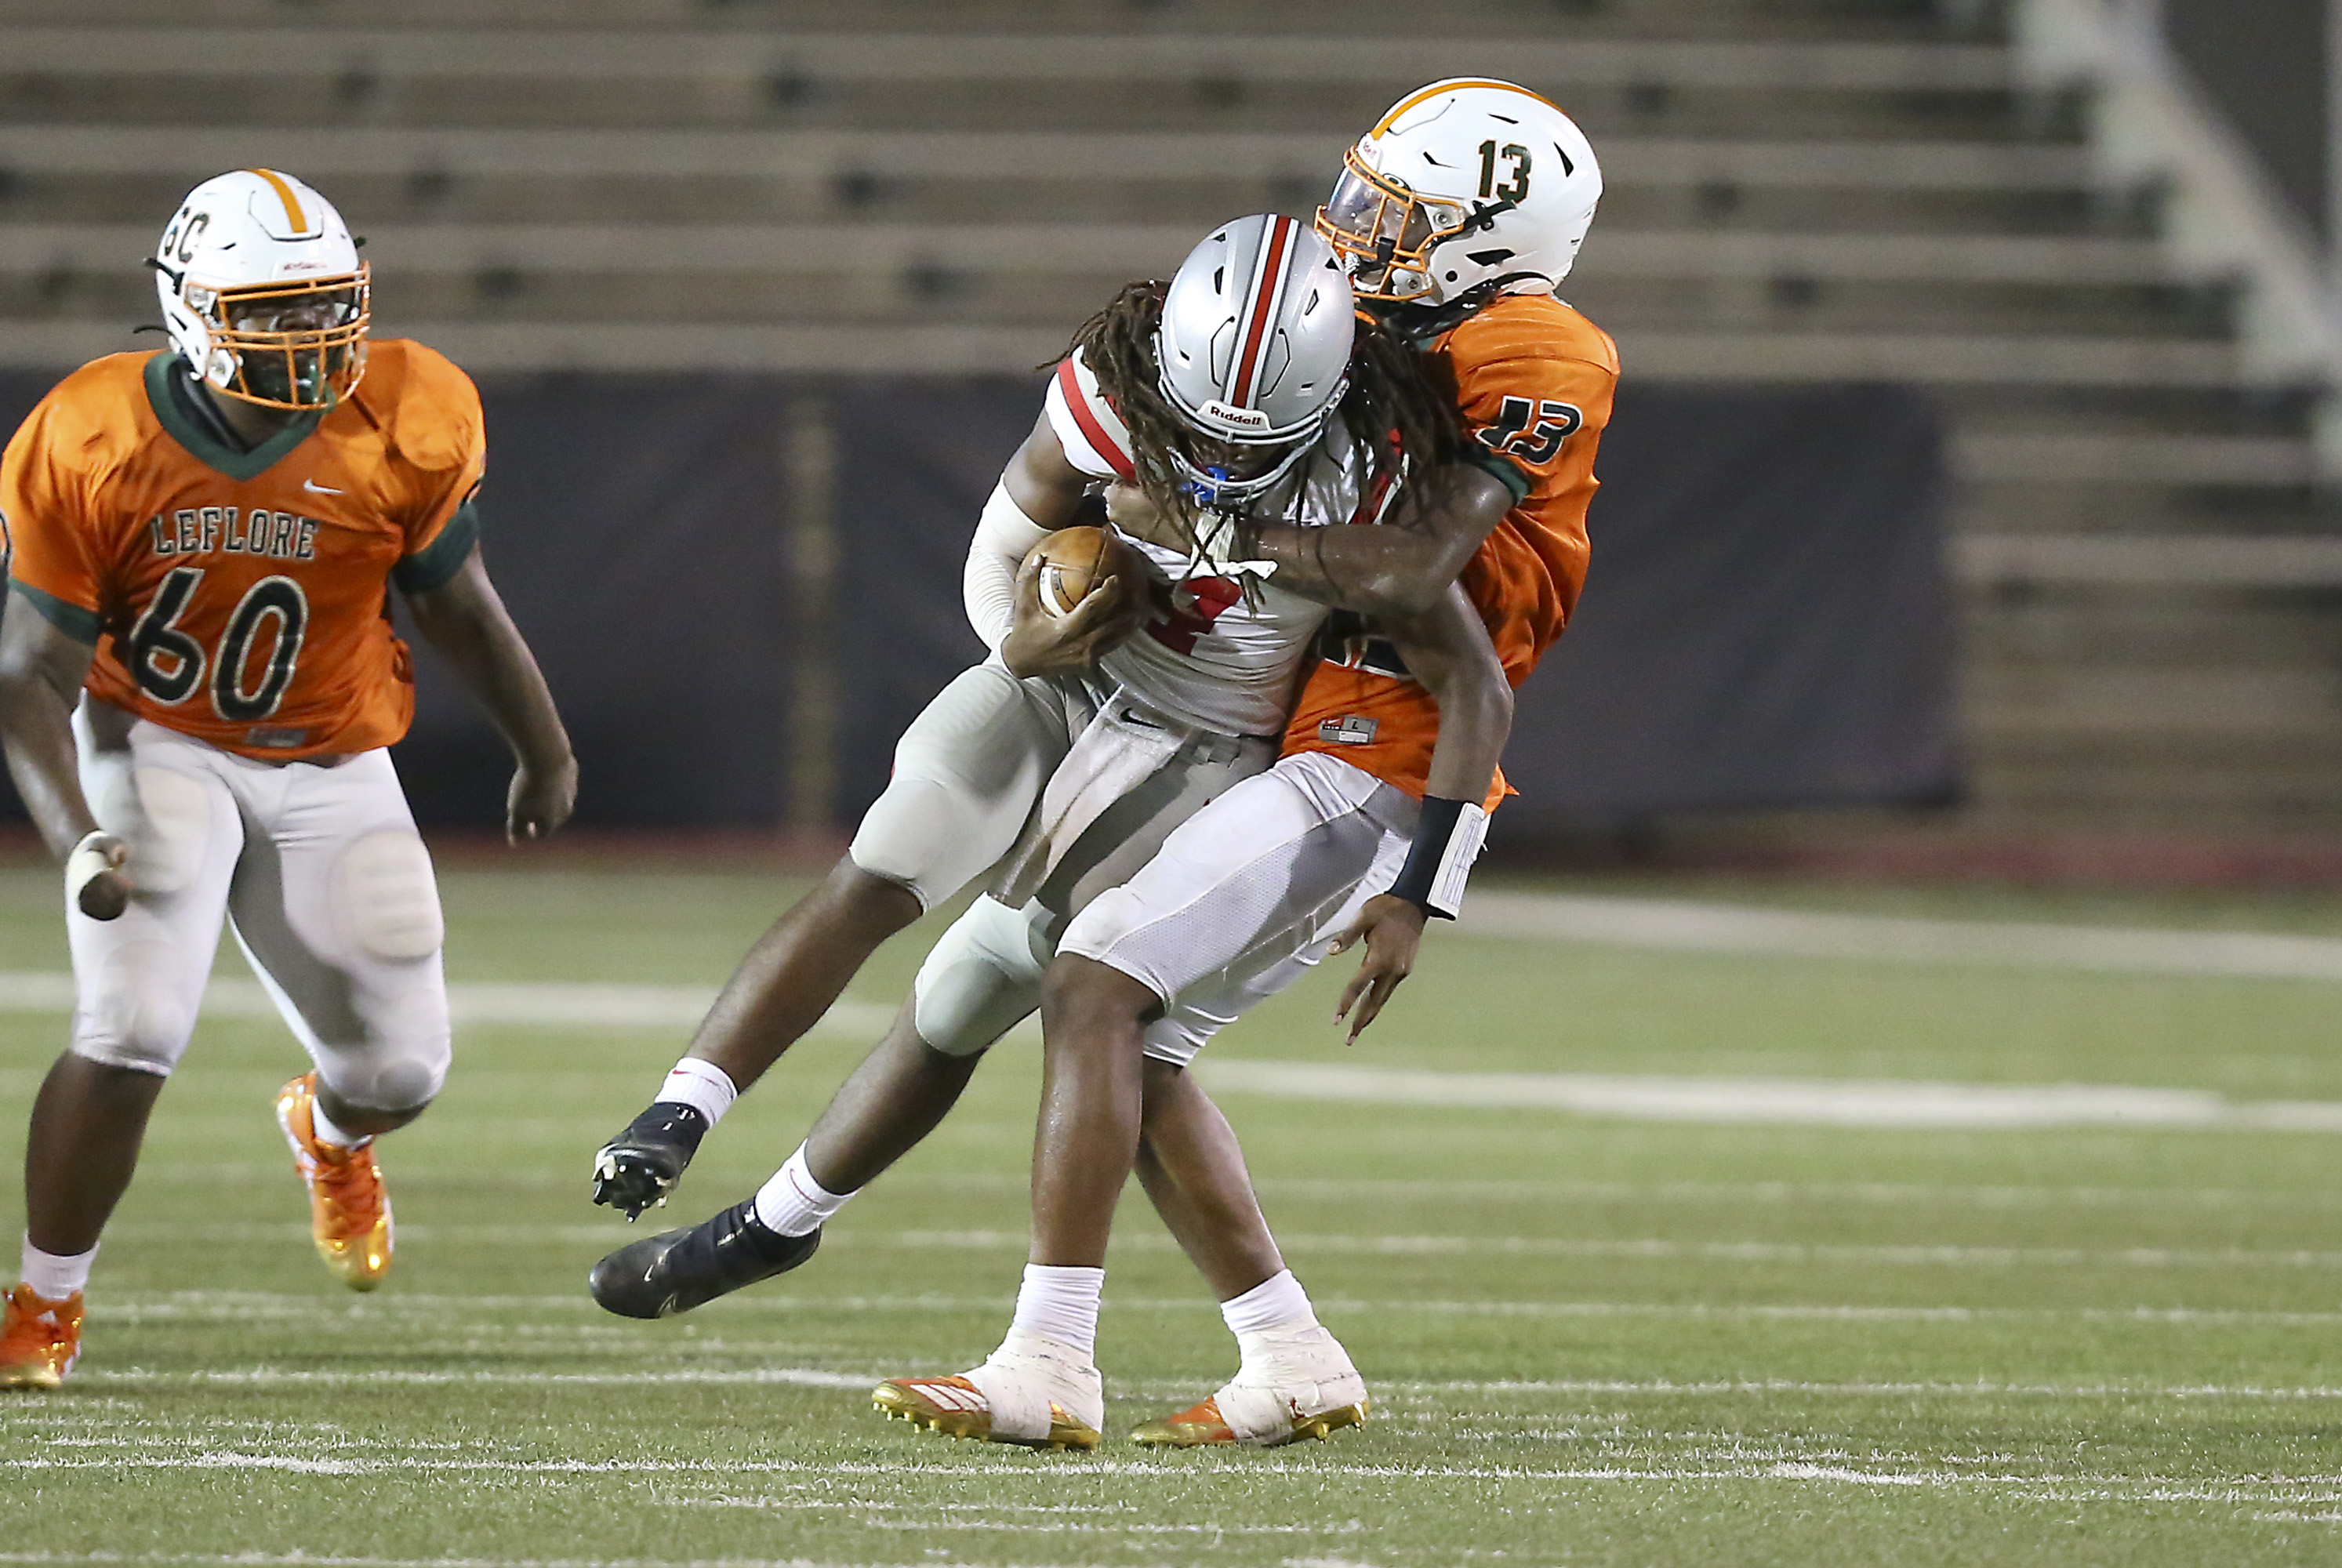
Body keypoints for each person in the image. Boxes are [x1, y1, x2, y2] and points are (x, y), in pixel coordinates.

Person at [582, 222, 1499, 1440]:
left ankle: (780, 1229)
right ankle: (681, 1105)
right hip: (1065, 679)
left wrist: (1428, 883)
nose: (1224, 453)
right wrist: (1020, 643)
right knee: (895, 848)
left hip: (1207, 746)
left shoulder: (1373, 475)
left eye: (1256, 436)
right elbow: (1002, 554)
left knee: (991, 991)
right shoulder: (1113, 394)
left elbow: (1470, 676)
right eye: (1203, 424)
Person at [873, 77, 1616, 1450]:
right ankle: (1290, 1357)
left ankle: (1048, 1362)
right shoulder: (1388, 324)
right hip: (1318, 727)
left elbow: (1419, 575)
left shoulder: (1539, 352)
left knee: (1093, 979)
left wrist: (1207, 524)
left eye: (1401, 218)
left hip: (1381, 749)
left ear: (1494, 243)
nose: (1358, 235)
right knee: (1137, 1045)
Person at [0, 169, 576, 1390]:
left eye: (327, 303)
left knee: (402, 1072)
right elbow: (28, 676)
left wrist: (546, 744)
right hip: (150, 740)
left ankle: (325, 1131)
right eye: (273, 312)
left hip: (330, 756)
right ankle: (44, 1302)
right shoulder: (94, 434)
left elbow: (458, 608)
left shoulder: (407, 412)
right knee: (133, 1025)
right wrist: (79, 839)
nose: (311, 338)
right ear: (192, 312)